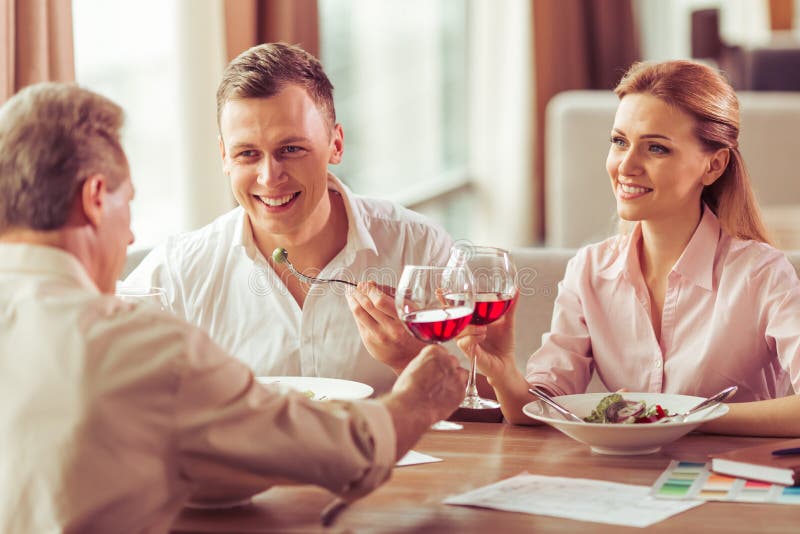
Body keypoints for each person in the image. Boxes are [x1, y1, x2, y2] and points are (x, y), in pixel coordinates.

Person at [0, 82, 468, 532]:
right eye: (129, 205)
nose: (130, 237)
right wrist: (418, 397)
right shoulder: (142, 344)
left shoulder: (416, 240)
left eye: (291, 149)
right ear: (95, 199)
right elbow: (350, 453)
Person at [460, 59, 800, 436]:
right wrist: (504, 370)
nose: (627, 165)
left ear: (714, 165)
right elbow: (541, 408)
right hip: (624, 480)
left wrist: (675, 416)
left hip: (729, 481)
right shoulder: (589, 269)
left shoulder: (761, 274)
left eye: (656, 148)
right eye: (620, 142)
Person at [125, 43, 452, 394]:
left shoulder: (418, 247)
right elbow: (100, 385)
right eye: (247, 154)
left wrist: (411, 359)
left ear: (336, 145)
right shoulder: (178, 273)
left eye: (291, 149)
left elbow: (491, 412)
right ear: (224, 156)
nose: (269, 176)